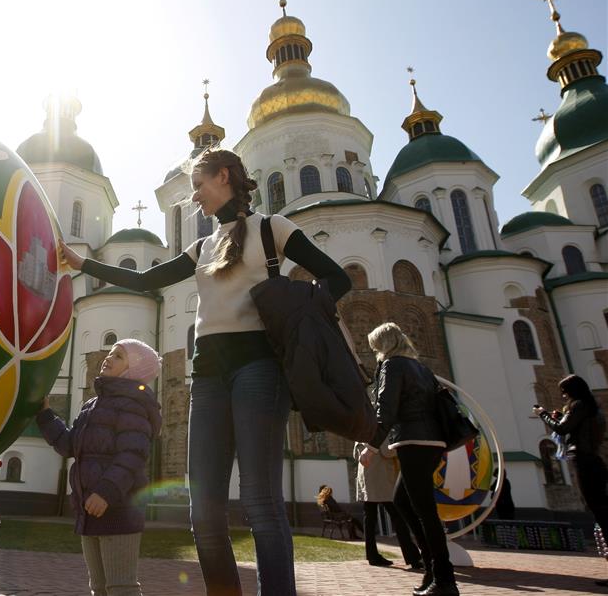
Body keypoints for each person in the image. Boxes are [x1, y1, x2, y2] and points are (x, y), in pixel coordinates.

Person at [60, 148, 351, 596]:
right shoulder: (202, 247)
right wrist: (83, 265)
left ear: (223, 177)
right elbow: (142, 282)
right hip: (209, 377)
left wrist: (292, 310)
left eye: (198, 185)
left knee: (260, 503)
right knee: (204, 512)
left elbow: (336, 278)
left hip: (259, 370)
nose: (195, 197)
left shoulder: (272, 228)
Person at [37, 339, 162, 596]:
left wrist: (106, 492)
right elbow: (71, 446)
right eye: (111, 352)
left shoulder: (134, 405)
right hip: (89, 508)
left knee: (121, 587)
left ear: (133, 370)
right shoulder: (92, 406)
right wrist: (46, 416)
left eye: (118, 356)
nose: (108, 357)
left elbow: (133, 454)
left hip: (117, 508)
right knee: (99, 588)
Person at [360, 322, 459, 596]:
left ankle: (444, 580)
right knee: (403, 501)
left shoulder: (392, 366)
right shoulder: (421, 368)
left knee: (425, 512)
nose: (374, 352)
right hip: (434, 441)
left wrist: (370, 446)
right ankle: (432, 570)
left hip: (413, 440)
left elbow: (386, 410)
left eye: (375, 347)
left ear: (384, 345)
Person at [535, 375, 607, 537]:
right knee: (600, 502)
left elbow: (562, 429)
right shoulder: (592, 407)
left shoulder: (578, 406)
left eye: (564, 391)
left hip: (583, 458)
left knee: (596, 504)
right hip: (593, 457)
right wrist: (561, 418)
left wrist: (542, 414)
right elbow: (574, 426)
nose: (563, 395)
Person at [353, 440, 423, 568]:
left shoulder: (363, 427)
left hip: (368, 476)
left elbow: (355, 453)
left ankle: (372, 555)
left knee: (370, 517)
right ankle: (413, 557)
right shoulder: (379, 426)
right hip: (381, 476)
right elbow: (387, 450)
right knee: (398, 516)